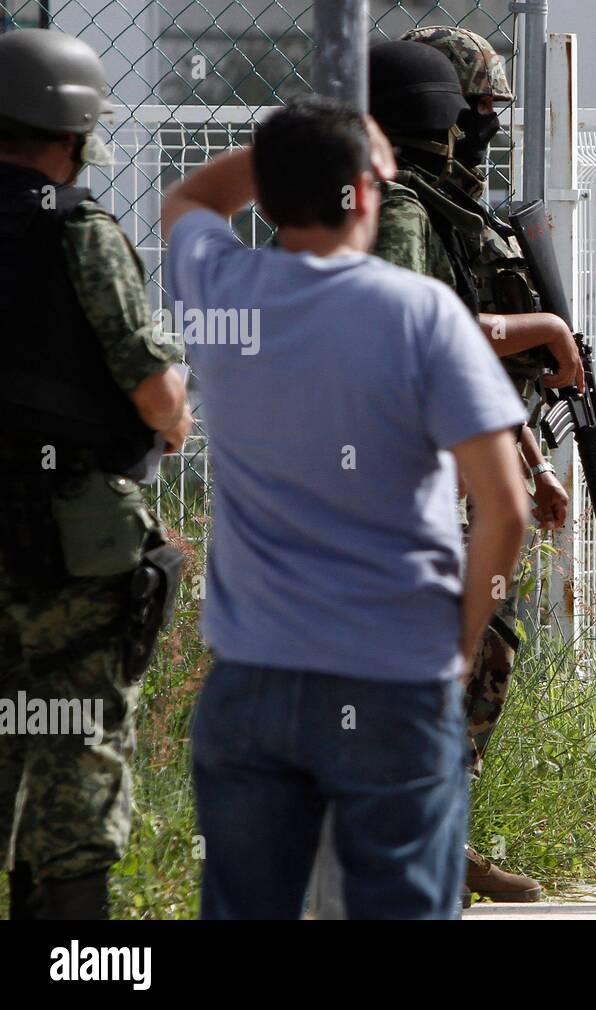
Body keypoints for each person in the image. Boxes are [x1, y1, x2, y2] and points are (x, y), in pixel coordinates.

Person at [162, 96, 531, 919]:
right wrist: (456, 647)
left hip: (253, 681)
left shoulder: (223, 292)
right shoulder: (421, 314)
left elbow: (188, 201)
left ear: (269, 195)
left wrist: (294, 155)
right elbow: (505, 509)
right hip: (394, 673)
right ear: (366, 194)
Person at [369, 28, 581, 904]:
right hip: (389, 478)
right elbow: (423, 336)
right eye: (479, 111)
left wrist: (530, 459)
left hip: (449, 467)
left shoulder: (445, 210)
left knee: (484, 649)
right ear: (439, 113)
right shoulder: (399, 210)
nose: (488, 128)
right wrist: (546, 331)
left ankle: (432, 840)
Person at [0, 29, 191, 921]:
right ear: (74, 131)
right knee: (74, 754)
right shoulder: (78, 230)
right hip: (67, 544)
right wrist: (176, 413)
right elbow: (152, 390)